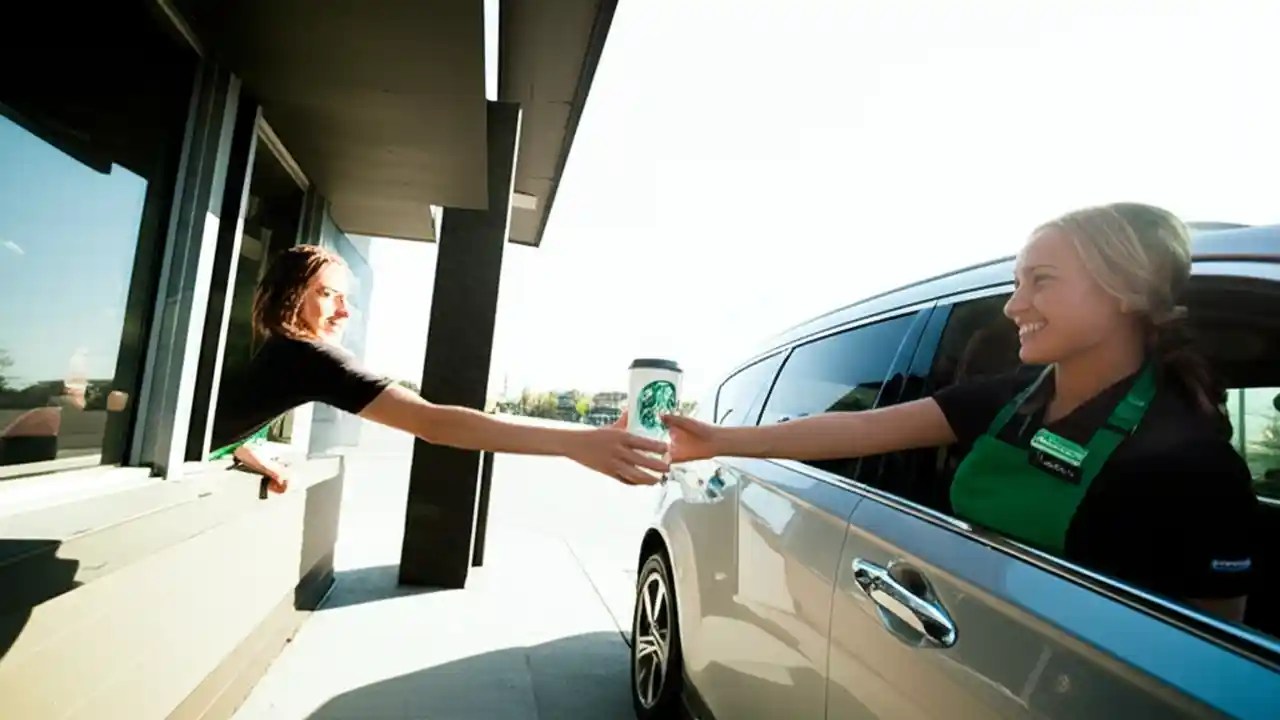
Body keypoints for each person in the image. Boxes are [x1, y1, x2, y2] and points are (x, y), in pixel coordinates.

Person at [664, 202, 1258, 623]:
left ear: (1126, 291)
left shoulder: (1198, 465)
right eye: (1016, 281)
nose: (1013, 305)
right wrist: (717, 439)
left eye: (1040, 281)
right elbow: (862, 429)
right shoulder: (1012, 398)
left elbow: (1212, 651)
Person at [210, 245, 668, 492]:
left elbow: (223, 419)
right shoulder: (307, 356)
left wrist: (243, 447)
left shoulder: (275, 355)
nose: (344, 313)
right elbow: (433, 422)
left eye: (346, 299)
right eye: (329, 294)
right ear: (292, 295)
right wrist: (576, 442)